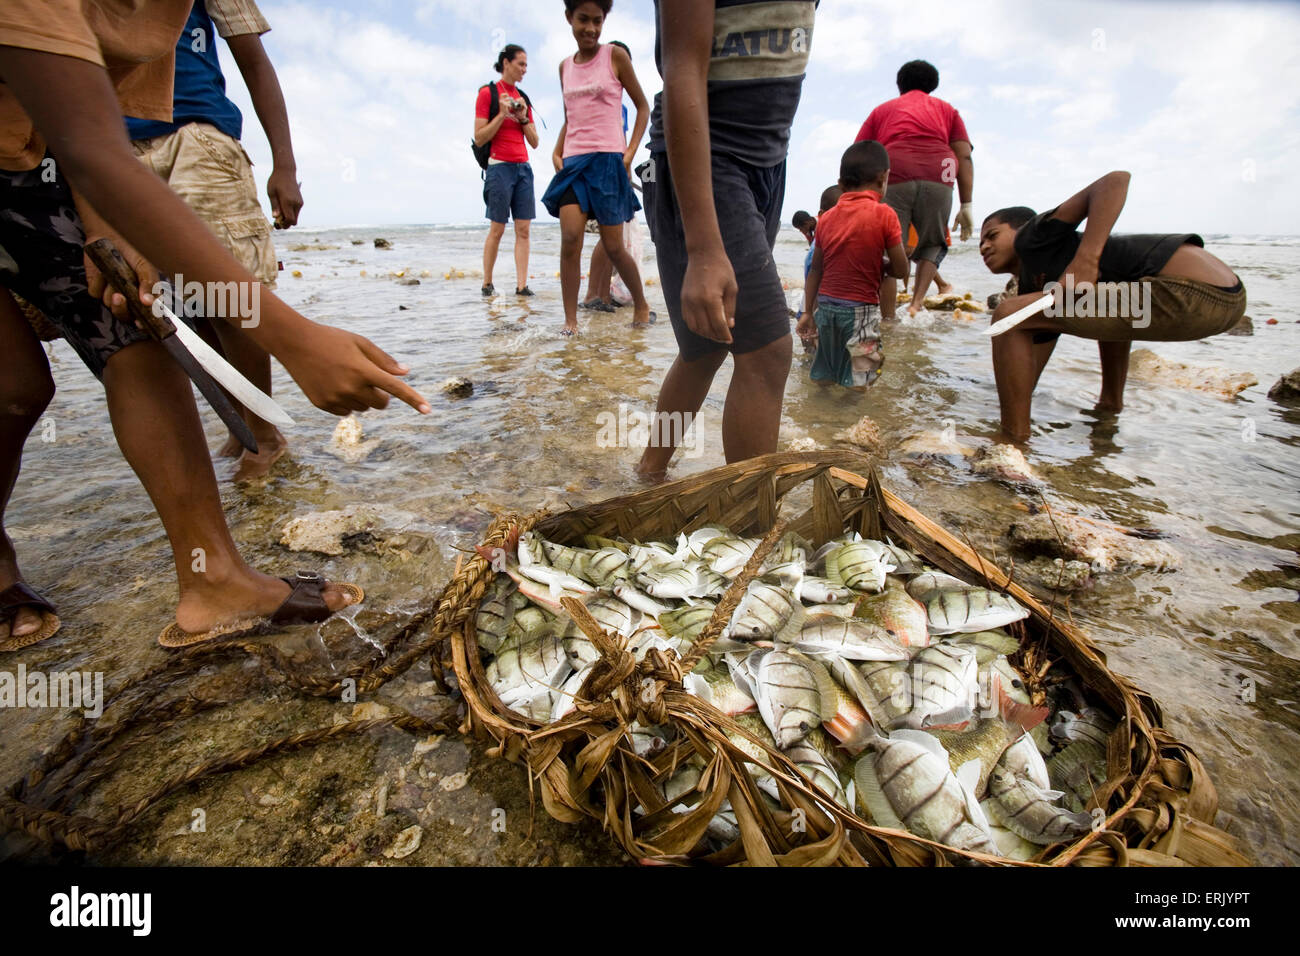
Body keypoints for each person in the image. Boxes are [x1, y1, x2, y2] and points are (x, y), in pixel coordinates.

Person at [0, 0, 427, 651]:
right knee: (17, 387)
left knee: (134, 331)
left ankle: (214, 578)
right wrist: (293, 338)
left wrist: (105, 224)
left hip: (37, 161)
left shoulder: (148, 23)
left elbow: (89, 139)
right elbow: (96, 154)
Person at [636, 0, 816, 481]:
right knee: (768, 349)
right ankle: (750, 525)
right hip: (704, 155)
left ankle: (648, 474)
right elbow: (682, 70)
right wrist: (703, 248)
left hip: (767, 162)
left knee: (710, 340)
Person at [126, 0, 301, 482]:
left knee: (230, 297)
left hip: (196, 135)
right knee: (181, 305)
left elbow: (254, 61)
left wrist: (283, 164)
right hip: (118, 150)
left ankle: (265, 434)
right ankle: (240, 420)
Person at [978, 170, 1246, 445]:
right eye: (980, 242)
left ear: (1021, 229)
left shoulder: (1033, 237)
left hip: (1188, 289)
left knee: (1008, 314)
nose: (984, 246)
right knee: (1096, 300)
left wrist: (1086, 260)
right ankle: (1109, 407)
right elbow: (1023, 381)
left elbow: (1115, 181)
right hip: (1227, 300)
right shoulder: (1038, 292)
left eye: (992, 235)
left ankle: (1012, 440)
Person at [541, 0, 653, 335]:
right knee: (570, 239)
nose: (590, 28)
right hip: (575, 164)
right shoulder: (564, 67)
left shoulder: (614, 56)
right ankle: (571, 321)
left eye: (597, 20)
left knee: (615, 247)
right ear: (569, 19)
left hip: (607, 162)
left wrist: (629, 152)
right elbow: (570, 117)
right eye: (583, 20)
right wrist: (560, 155)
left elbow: (643, 107)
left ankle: (643, 304)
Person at [855, 59, 973, 320]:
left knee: (888, 247)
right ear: (934, 84)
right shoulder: (948, 111)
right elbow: (963, 155)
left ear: (900, 84)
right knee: (933, 243)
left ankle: (888, 318)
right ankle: (916, 304)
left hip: (893, 170)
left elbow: (860, 150)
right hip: (940, 172)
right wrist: (966, 204)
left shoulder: (882, 110)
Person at [796, 142, 907, 391]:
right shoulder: (885, 214)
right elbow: (901, 270)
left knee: (825, 369)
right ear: (883, 179)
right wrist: (881, 266)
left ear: (842, 183)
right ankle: (848, 419)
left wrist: (807, 313)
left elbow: (816, 270)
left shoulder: (825, 220)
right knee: (863, 374)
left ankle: (819, 418)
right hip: (861, 313)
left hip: (825, 310)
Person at [580, 40, 642, 314]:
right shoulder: (594, 97)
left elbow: (623, 145)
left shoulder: (623, 108)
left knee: (612, 239)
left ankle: (602, 295)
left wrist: (626, 177)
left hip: (617, 174)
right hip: (597, 173)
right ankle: (593, 294)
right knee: (607, 238)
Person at [475, 44, 539, 298]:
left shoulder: (523, 97)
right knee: (497, 228)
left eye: (526, 64)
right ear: (506, 63)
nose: (524, 69)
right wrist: (502, 114)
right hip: (498, 166)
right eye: (520, 63)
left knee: (523, 229)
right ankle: (487, 283)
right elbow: (479, 137)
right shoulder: (487, 93)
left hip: (523, 167)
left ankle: (522, 286)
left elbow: (534, 142)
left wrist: (522, 116)